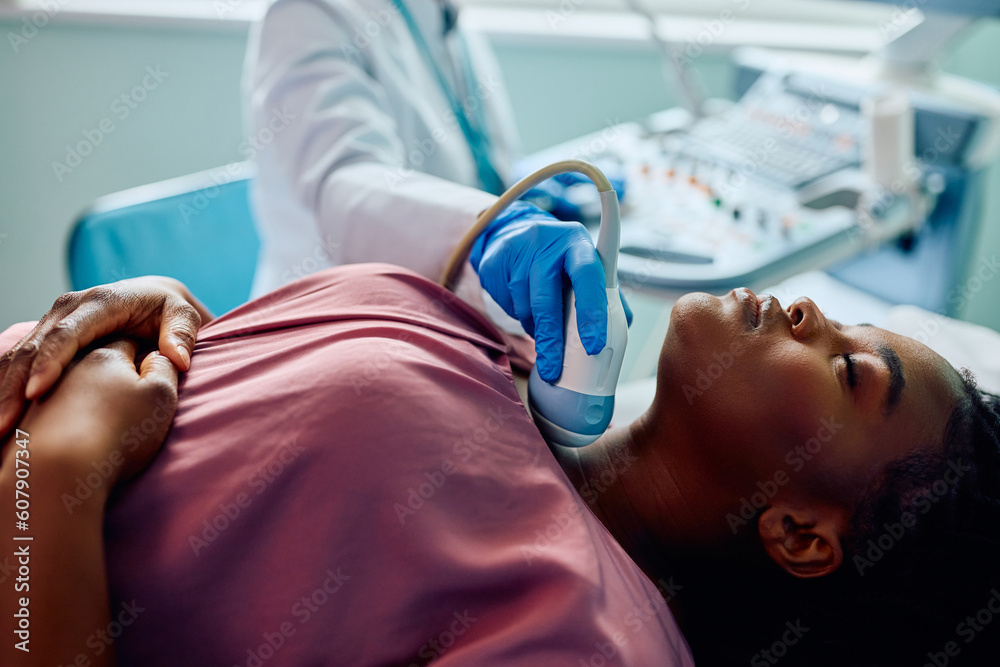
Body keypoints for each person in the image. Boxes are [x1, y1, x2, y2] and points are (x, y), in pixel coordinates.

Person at [1, 266, 999, 665]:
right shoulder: (486, 346)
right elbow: (229, 439)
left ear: (797, 531)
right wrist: (148, 313)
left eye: (852, 370)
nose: (809, 312)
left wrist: (51, 476)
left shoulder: (588, 641)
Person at [244, 0, 627, 383]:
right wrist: (487, 228)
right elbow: (344, 185)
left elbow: (467, 158)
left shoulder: (448, 17)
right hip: (333, 345)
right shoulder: (307, 13)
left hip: (452, 329)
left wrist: (521, 190)